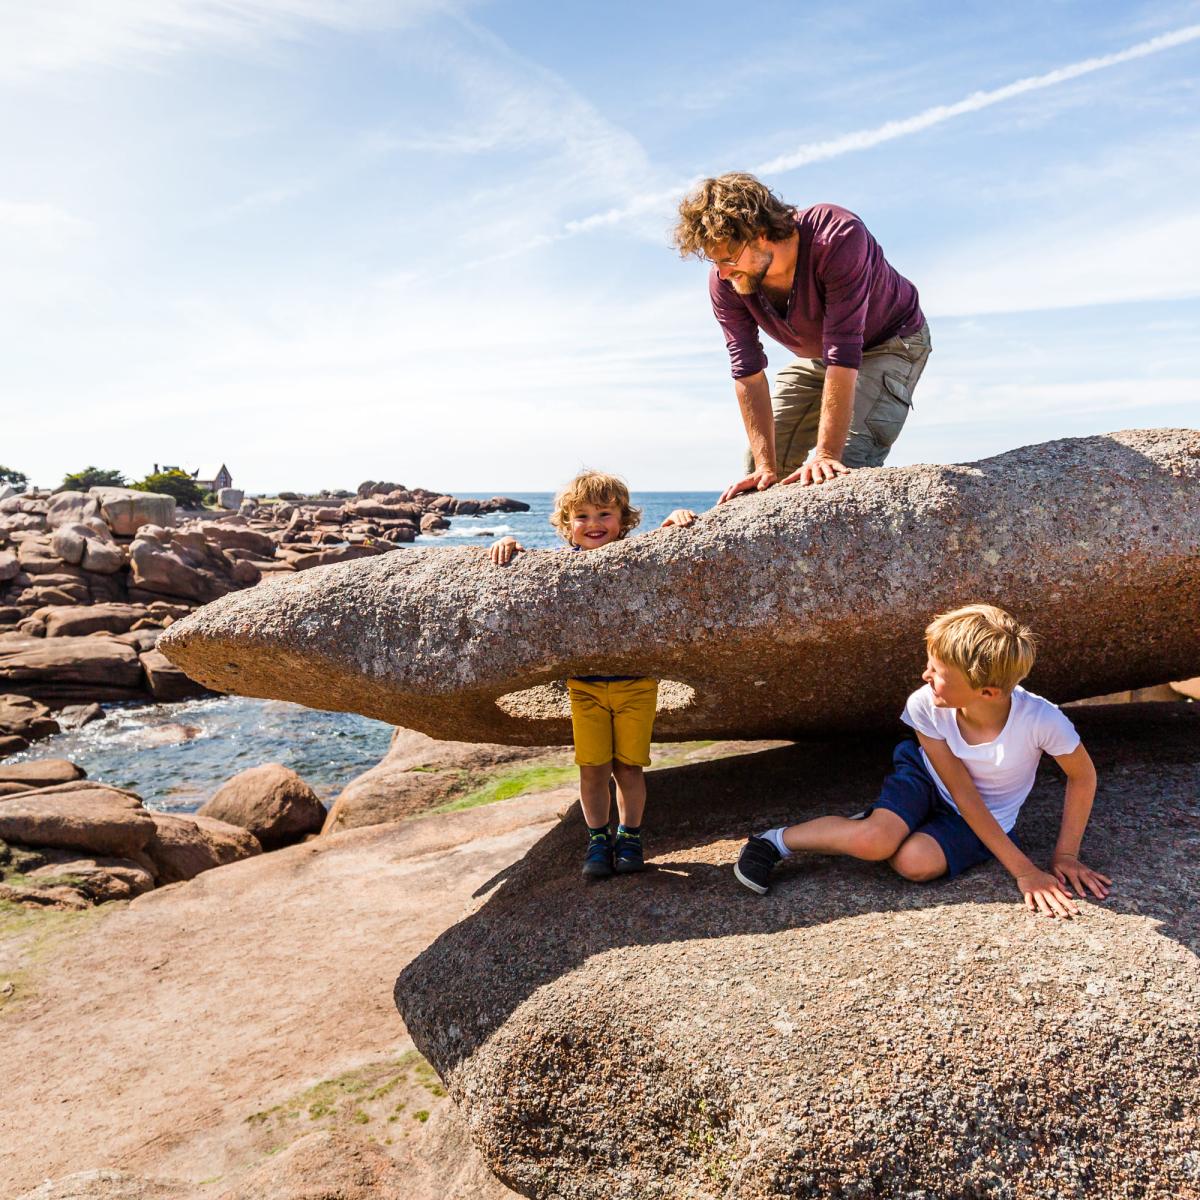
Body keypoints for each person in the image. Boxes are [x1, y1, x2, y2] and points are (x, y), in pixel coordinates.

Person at [733, 604, 1112, 918]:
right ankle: (773, 842)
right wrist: (1024, 870)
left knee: (914, 863)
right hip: (928, 778)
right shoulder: (925, 704)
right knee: (875, 842)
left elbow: (1082, 777)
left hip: (984, 814)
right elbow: (960, 789)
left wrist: (1066, 855)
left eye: (938, 673)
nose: (924, 675)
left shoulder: (1041, 720)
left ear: (987, 691)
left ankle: (887, 823)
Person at [673, 172, 931, 504]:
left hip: (891, 342)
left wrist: (825, 453)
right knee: (760, 470)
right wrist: (765, 467)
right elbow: (747, 372)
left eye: (729, 258)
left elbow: (844, 350)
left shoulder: (836, 235)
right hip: (823, 353)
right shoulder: (726, 281)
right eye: (714, 260)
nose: (722, 272)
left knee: (841, 466)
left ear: (762, 234)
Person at [489, 471, 695, 879]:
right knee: (592, 769)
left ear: (625, 519)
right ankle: (598, 839)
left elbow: (666, 547)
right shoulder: (565, 565)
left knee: (629, 769)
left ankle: (630, 836)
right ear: (566, 526)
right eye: (581, 516)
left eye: (605, 513)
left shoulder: (634, 557)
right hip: (585, 690)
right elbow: (530, 566)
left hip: (636, 686)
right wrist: (507, 542)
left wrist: (678, 517)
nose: (594, 523)